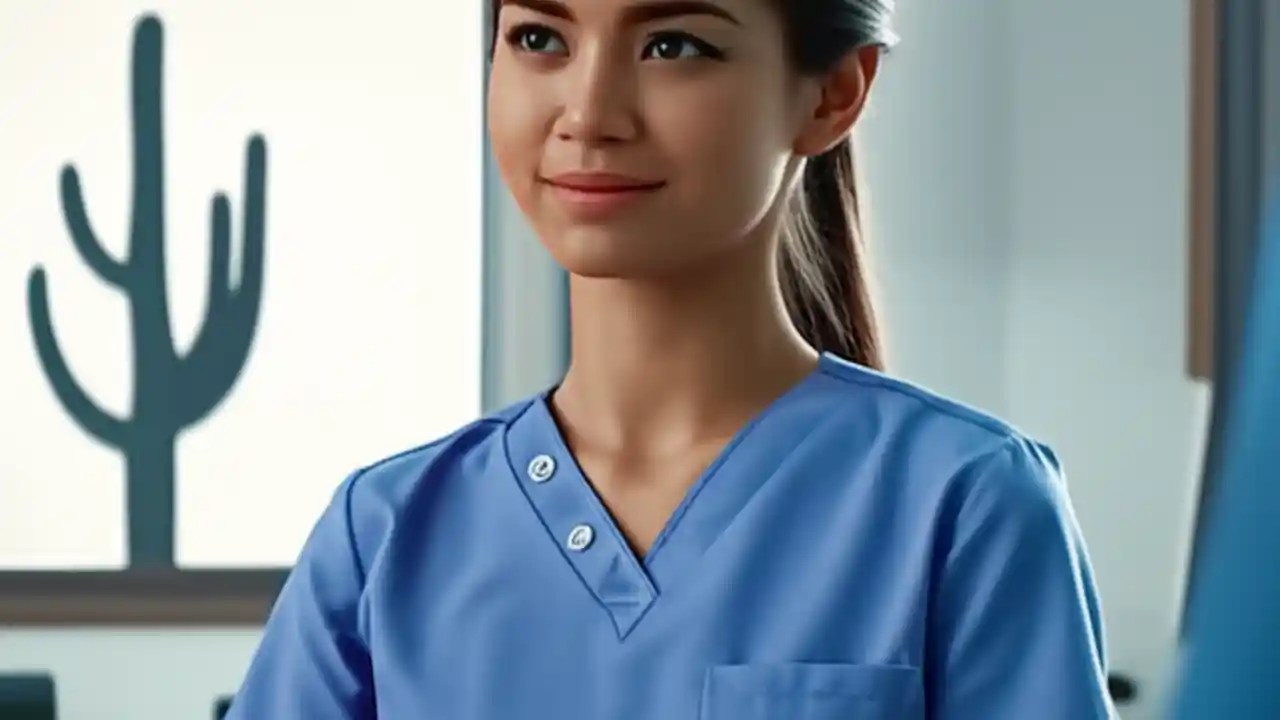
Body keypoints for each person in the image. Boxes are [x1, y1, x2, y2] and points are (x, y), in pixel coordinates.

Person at [226, 0, 1116, 717]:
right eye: (540, 37)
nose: (589, 113)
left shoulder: (968, 506)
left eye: (674, 44)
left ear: (832, 93)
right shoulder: (383, 536)